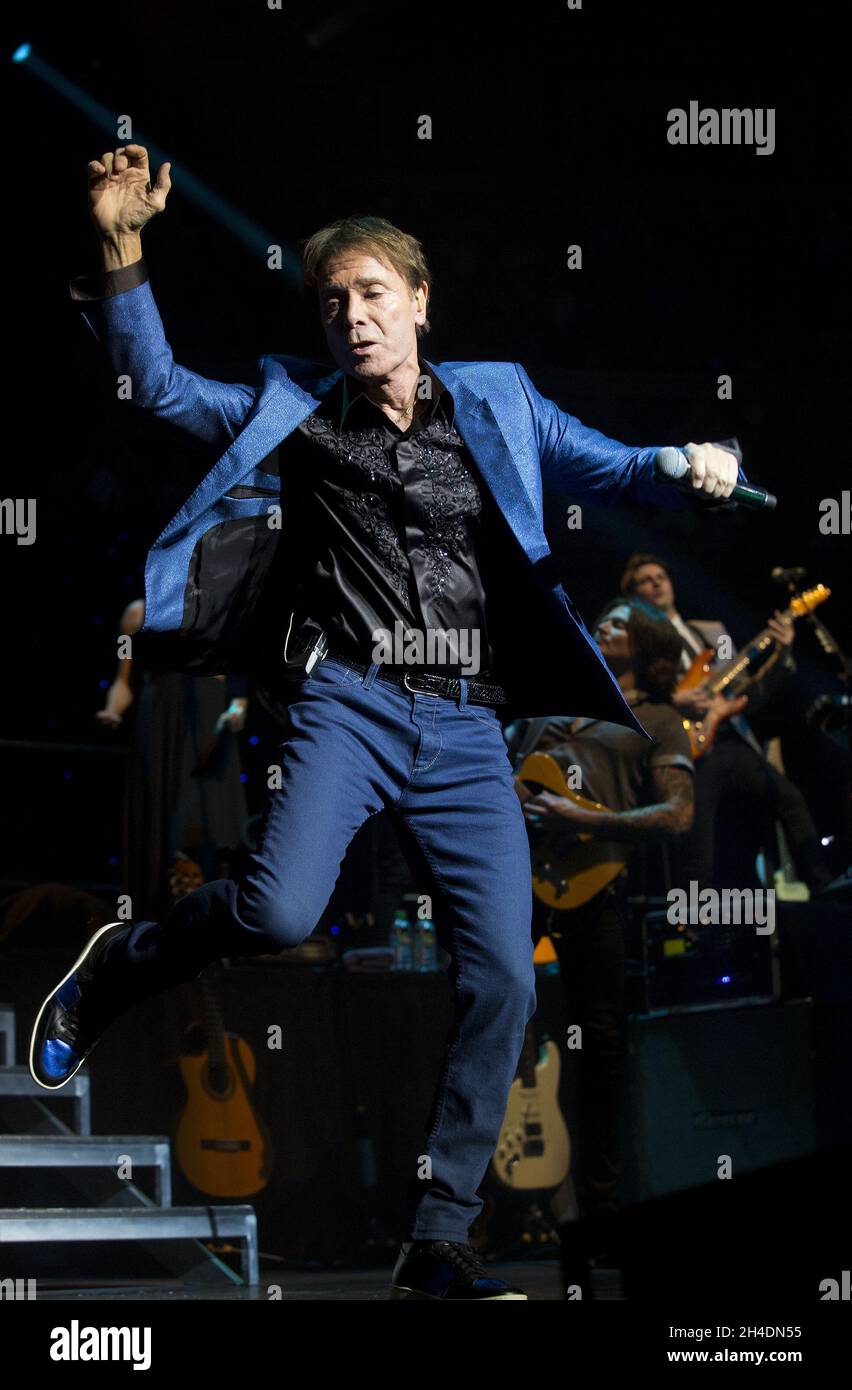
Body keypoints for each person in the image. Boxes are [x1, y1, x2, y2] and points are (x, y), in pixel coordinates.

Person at [30, 142, 741, 1301]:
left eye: (371, 295)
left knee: (507, 980)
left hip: (467, 732)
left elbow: (609, 464)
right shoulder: (295, 410)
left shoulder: (499, 396)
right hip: (348, 701)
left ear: (418, 303)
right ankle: (116, 973)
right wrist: (122, 248)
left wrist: (687, 461)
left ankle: (439, 1243)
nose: (352, 319)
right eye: (332, 302)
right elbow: (159, 387)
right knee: (274, 909)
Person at [505, 598, 694, 1284]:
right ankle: (471, 1218)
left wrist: (584, 817)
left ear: (646, 649)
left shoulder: (659, 719)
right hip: (517, 885)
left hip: (596, 892)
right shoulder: (541, 711)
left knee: (601, 1051)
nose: (603, 627)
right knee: (488, 1031)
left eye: (619, 625)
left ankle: (601, 1214)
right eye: (602, 621)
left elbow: (678, 814)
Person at [619, 553, 832, 892]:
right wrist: (675, 702)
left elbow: (751, 692)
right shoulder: (633, 646)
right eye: (646, 580)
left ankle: (822, 890)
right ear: (632, 595)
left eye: (662, 576)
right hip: (686, 753)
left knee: (789, 798)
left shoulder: (710, 632)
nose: (656, 582)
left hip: (733, 741)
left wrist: (782, 654)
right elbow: (625, 702)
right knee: (697, 842)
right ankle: (691, 922)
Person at [97, 598, 249, 919]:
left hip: (210, 720)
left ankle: (206, 923)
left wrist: (236, 712)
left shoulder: (222, 607)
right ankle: (158, 921)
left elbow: (238, 686)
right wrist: (113, 710)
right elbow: (123, 681)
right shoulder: (138, 613)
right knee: (165, 819)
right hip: (162, 720)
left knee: (205, 825)